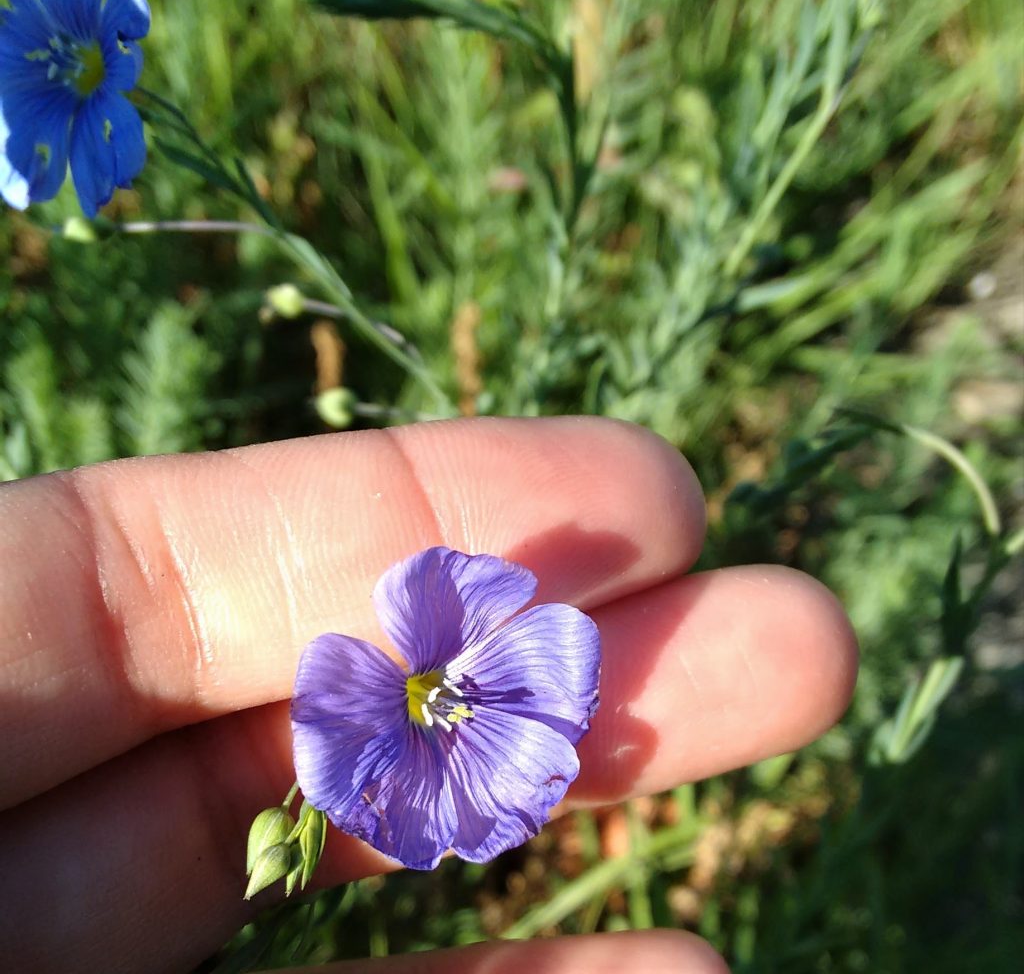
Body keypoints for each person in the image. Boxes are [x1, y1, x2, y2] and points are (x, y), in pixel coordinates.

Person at [0, 417, 857, 973]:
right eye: (423, 688)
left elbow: (490, 703)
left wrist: (429, 707)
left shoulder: (443, 664)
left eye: (425, 687)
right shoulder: (387, 698)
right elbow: (374, 751)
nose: (431, 693)